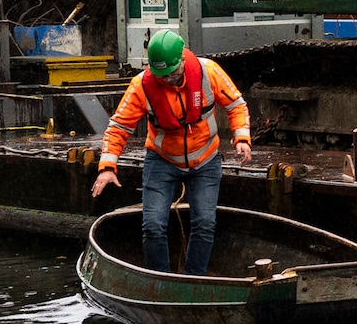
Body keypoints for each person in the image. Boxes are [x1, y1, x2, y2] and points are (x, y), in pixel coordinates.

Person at [91, 29, 252, 275]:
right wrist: (107, 167)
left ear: (183, 60)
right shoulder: (141, 86)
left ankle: (193, 279)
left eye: (171, 73)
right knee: (153, 225)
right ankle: (160, 279)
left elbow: (236, 105)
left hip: (205, 160)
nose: (166, 79)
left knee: (205, 224)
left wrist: (242, 137)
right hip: (162, 161)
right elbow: (118, 128)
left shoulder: (209, 72)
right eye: (160, 75)